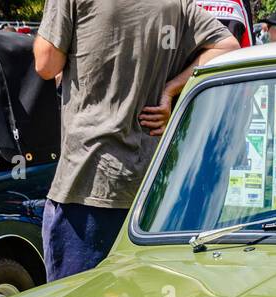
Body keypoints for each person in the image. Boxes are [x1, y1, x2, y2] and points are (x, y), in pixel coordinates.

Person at [34, 0, 237, 281]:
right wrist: (171, 90)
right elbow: (228, 47)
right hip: (155, 189)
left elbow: (46, 64)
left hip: (89, 180)